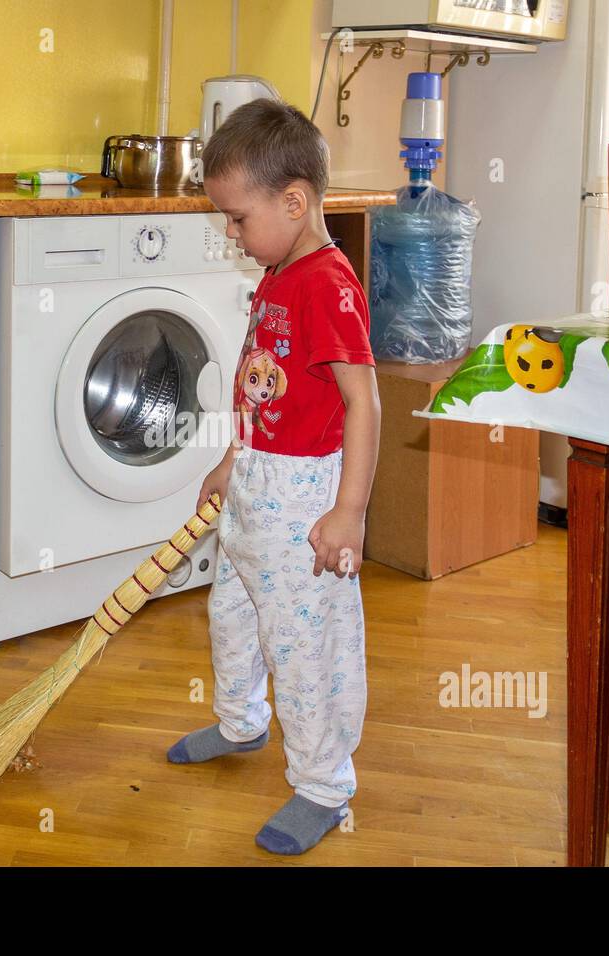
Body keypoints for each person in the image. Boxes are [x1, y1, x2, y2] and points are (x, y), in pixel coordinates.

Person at [167, 97, 381, 855]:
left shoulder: (328, 284)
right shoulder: (280, 269)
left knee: (302, 641)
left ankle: (324, 783)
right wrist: (231, 460)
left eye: (237, 217)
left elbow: (363, 403)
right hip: (257, 483)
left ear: (294, 202)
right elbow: (266, 386)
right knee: (234, 614)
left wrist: (349, 511)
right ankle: (240, 722)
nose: (232, 232)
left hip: (306, 498)